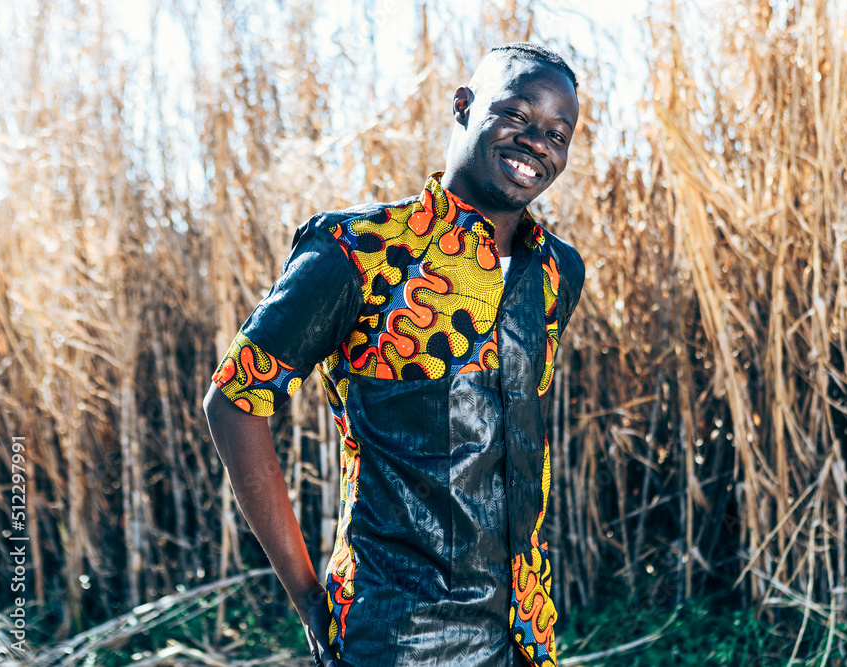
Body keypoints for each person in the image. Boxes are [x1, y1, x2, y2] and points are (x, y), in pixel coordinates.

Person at [203, 42, 584, 667]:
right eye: (515, 115)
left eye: (557, 133)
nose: (536, 142)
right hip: (398, 637)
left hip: (523, 635)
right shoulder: (359, 251)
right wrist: (308, 598)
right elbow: (235, 402)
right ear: (463, 106)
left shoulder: (556, 271)